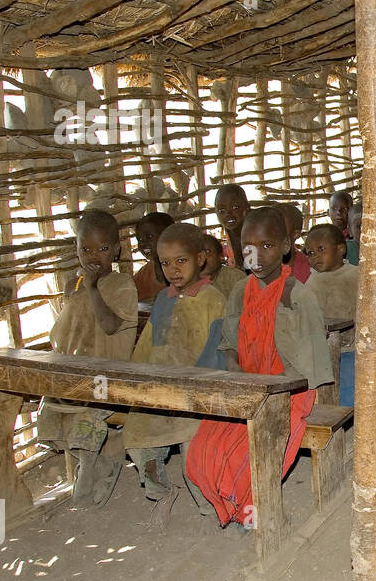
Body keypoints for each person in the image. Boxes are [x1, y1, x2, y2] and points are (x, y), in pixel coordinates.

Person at [185, 207, 333, 528]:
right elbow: (228, 345)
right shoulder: (240, 291)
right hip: (248, 385)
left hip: (289, 390)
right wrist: (238, 374)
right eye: (248, 246)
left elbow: (310, 365)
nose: (257, 254)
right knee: (205, 445)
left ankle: (253, 511)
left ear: (285, 246)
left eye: (267, 245)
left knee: (254, 446)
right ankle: (228, 501)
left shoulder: (298, 296)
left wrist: (271, 389)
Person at [120, 223, 226, 521]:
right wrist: (136, 379)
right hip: (158, 392)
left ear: (201, 259)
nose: (173, 269)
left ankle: (211, 506)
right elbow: (147, 346)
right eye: (165, 263)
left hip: (195, 393)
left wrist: (198, 389)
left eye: (181, 260)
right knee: (138, 438)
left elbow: (215, 350)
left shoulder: (212, 299)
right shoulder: (163, 301)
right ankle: (161, 491)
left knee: (194, 457)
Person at [38, 209, 138, 503]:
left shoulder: (123, 285)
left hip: (111, 373)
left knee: (90, 406)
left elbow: (109, 327)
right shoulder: (75, 286)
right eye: (86, 249)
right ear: (76, 250)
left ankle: (103, 458)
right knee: (53, 402)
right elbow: (63, 333)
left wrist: (93, 288)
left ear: (117, 251)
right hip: (80, 371)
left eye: (103, 249)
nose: (94, 256)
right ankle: (89, 458)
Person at [306, 223, 358, 406]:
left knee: (348, 390)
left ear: (341, 249)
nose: (315, 256)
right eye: (310, 252)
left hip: (352, 348)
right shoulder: (311, 283)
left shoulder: (356, 276)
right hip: (320, 350)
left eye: (321, 249)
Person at [133, 212, 174, 304]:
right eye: (139, 239)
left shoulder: (184, 269)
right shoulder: (145, 273)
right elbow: (129, 297)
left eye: (149, 237)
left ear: (168, 236)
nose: (143, 243)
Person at [213, 184, 250, 269]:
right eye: (222, 210)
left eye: (235, 207)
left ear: (247, 208)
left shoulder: (254, 232)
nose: (228, 214)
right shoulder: (232, 231)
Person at [203, 232, 245, 299]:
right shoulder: (188, 281)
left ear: (220, 256)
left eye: (207, 251)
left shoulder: (235, 277)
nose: (202, 257)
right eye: (197, 253)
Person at [276, 202, 312, 283]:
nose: (273, 231)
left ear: (296, 234)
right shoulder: (259, 263)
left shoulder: (307, 268)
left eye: (281, 226)